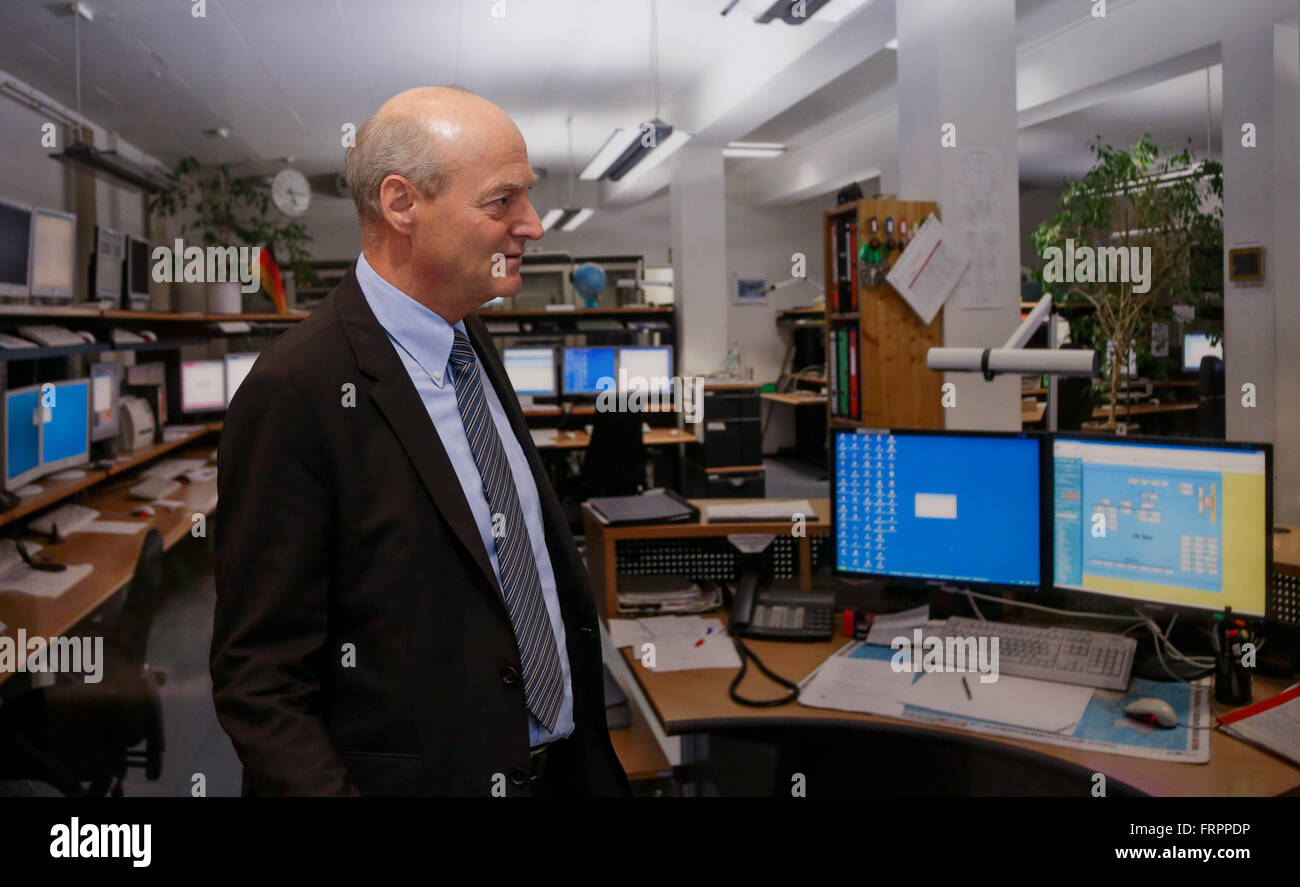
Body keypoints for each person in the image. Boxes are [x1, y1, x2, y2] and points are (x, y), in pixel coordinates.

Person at [210, 86, 629, 796]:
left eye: (527, 198)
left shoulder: (470, 335)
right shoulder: (297, 391)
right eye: (502, 202)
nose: (531, 225)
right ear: (402, 204)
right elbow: (260, 678)